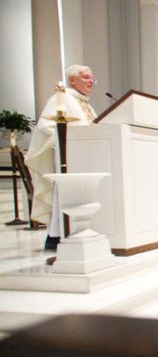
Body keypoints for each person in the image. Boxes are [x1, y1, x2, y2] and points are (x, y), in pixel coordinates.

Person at [26, 65, 99, 250]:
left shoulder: (85, 104)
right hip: (68, 158)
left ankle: (85, 230)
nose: (91, 81)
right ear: (72, 80)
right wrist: (67, 137)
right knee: (66, 194)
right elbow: (45, 126)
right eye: (86, 77)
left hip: (86, 156)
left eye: (92, 78)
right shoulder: (62, 98)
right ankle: (57, 235)